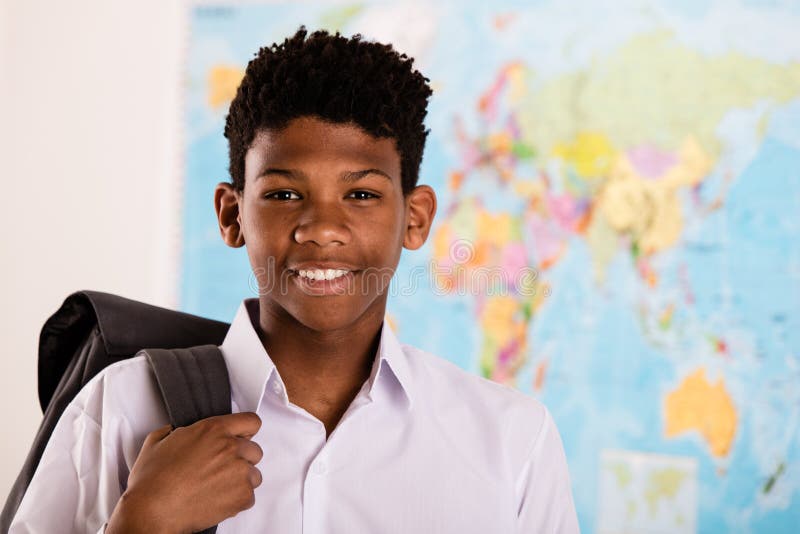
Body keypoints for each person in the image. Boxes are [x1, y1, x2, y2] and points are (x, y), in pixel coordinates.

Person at [9, 27, 579, 533]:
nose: (322, 228)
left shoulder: (512, 442)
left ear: (415, 217)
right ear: (233, 216)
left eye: (361, 194)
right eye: (284, 194)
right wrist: (142, 524)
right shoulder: (121, 407)